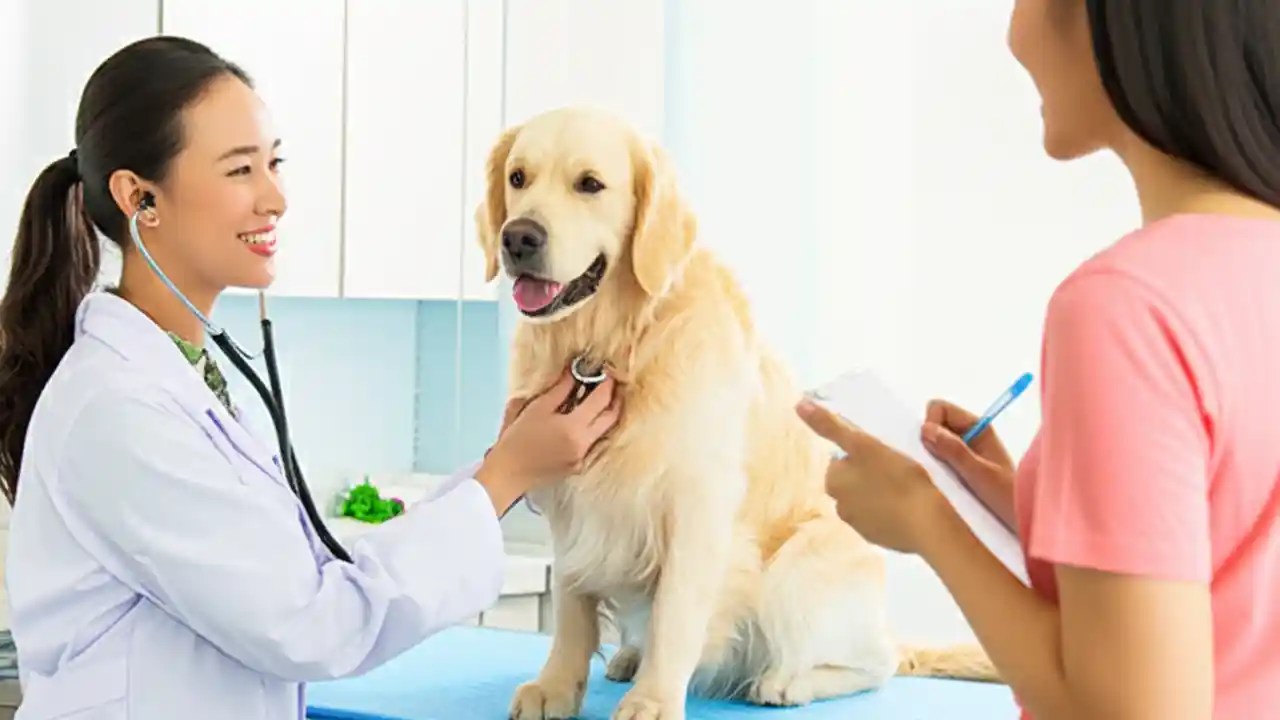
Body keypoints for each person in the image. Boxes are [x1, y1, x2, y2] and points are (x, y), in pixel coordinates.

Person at [0, 36, 620, 718]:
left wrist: (503, 470)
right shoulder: (116, 408)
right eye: (240, 171)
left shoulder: (178, 383)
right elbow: (311, 624)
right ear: (140, 197)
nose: (276, 198)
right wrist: (507, 476)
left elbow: (315, 575)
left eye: (274, 163)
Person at [796, 1, 1279, 719]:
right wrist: (1033, 507)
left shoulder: (1127, 309)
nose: (1013, 34)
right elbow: (1231, 570)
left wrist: (927, 518)